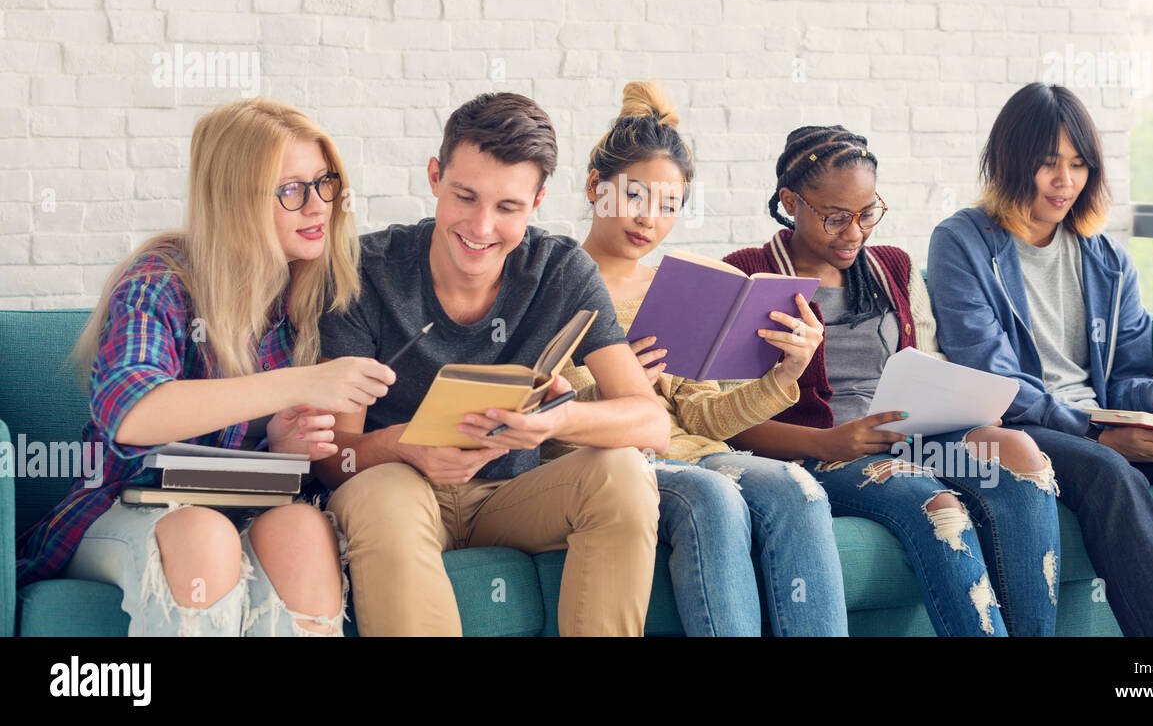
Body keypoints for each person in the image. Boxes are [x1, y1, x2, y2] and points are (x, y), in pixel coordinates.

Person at [927, 81, 1153, 636]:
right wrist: (1098, 434)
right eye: (1048, 163)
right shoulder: (963, 243)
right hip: (1029, 427)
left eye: (1079, 165)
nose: (1065, 181)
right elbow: (992, 379)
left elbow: (1125, 375)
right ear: (1010, 161)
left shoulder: (1107, 258)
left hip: (1108, 421)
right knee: (1111, 473)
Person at [16, 98, 392, 636]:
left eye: (324, 182)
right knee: (203, 533)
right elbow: (132, 413)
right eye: (291, 190)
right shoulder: (159, 279)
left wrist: (282, 447)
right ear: (234, 200)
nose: (318, 206)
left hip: (240, 508)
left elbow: (261, 455)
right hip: (127, 509)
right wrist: (300, 382)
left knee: (305, 530)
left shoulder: (309, 294)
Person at [315, 91, 668, 637]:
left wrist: (557, 422)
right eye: (465, 197)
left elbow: (651, 424)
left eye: (507, 208)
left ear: (538, 202)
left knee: (623, 472)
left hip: (512, 496)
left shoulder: (561, 270)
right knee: (382, 494)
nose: (481, 228)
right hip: (400, 488)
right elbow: (333, 460)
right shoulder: (366, 272)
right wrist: (405, 446)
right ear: (435, 177)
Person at [722, 124, 1062, 636]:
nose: (855, 232)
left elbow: (929, 365)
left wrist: (967, 404)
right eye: (835, 217)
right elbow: (729, 424)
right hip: (820, 449)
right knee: (938, 507)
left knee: (1021, 454)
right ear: (789, 201)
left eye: (867, 213)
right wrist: (828, 439)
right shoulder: (748, 275)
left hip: (915, 438)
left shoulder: (893, 267)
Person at [564, 81, 848, 636]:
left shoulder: (674, 289)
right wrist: (619, 387)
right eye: (636, 195)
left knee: (800, 488)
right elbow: (544, 417)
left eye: (670, 206)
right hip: (616, 465)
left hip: (700, 453)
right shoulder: (554, 282)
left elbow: (706, 418)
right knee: (713, 499)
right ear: (596, 186)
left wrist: (787, 371)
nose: (650, 219)